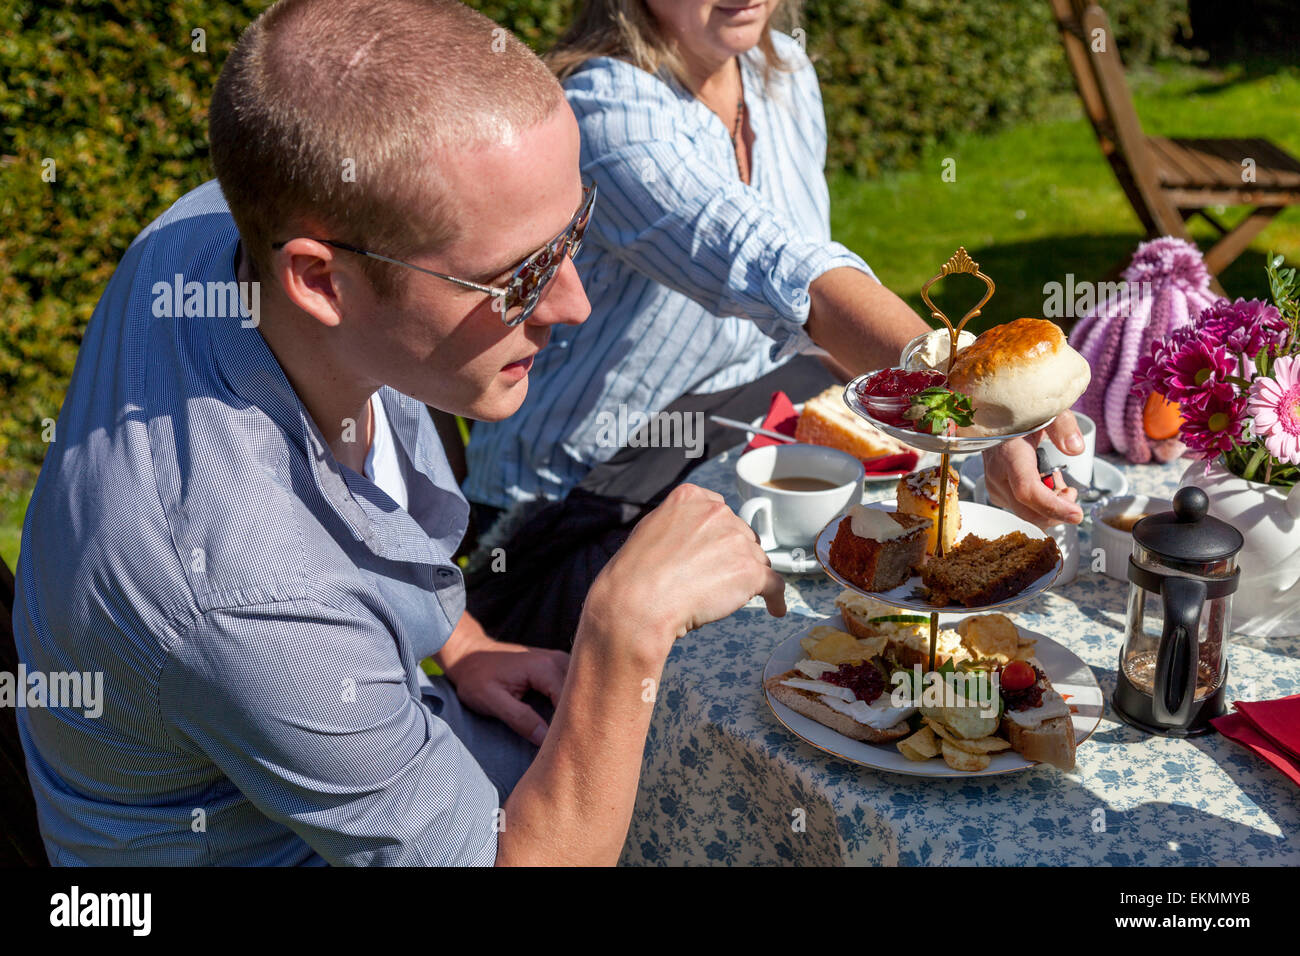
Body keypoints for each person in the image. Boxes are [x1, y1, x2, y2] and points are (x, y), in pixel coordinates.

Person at [11, 0, 785, 866]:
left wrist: (463, 641)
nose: (573, 303)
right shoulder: (253, 593)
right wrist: (623, 627)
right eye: (517, 276)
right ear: (322, 281)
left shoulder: (227, 236)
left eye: (575, 230)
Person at [463, 0, 1085, 650]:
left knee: (889, 607)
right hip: (572, 517)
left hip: (739, 442)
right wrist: (961, 396)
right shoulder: (606, 112)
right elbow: (779, 269)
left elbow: (815, 284)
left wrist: (955, 412)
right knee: (788, 653)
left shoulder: (782, 72)